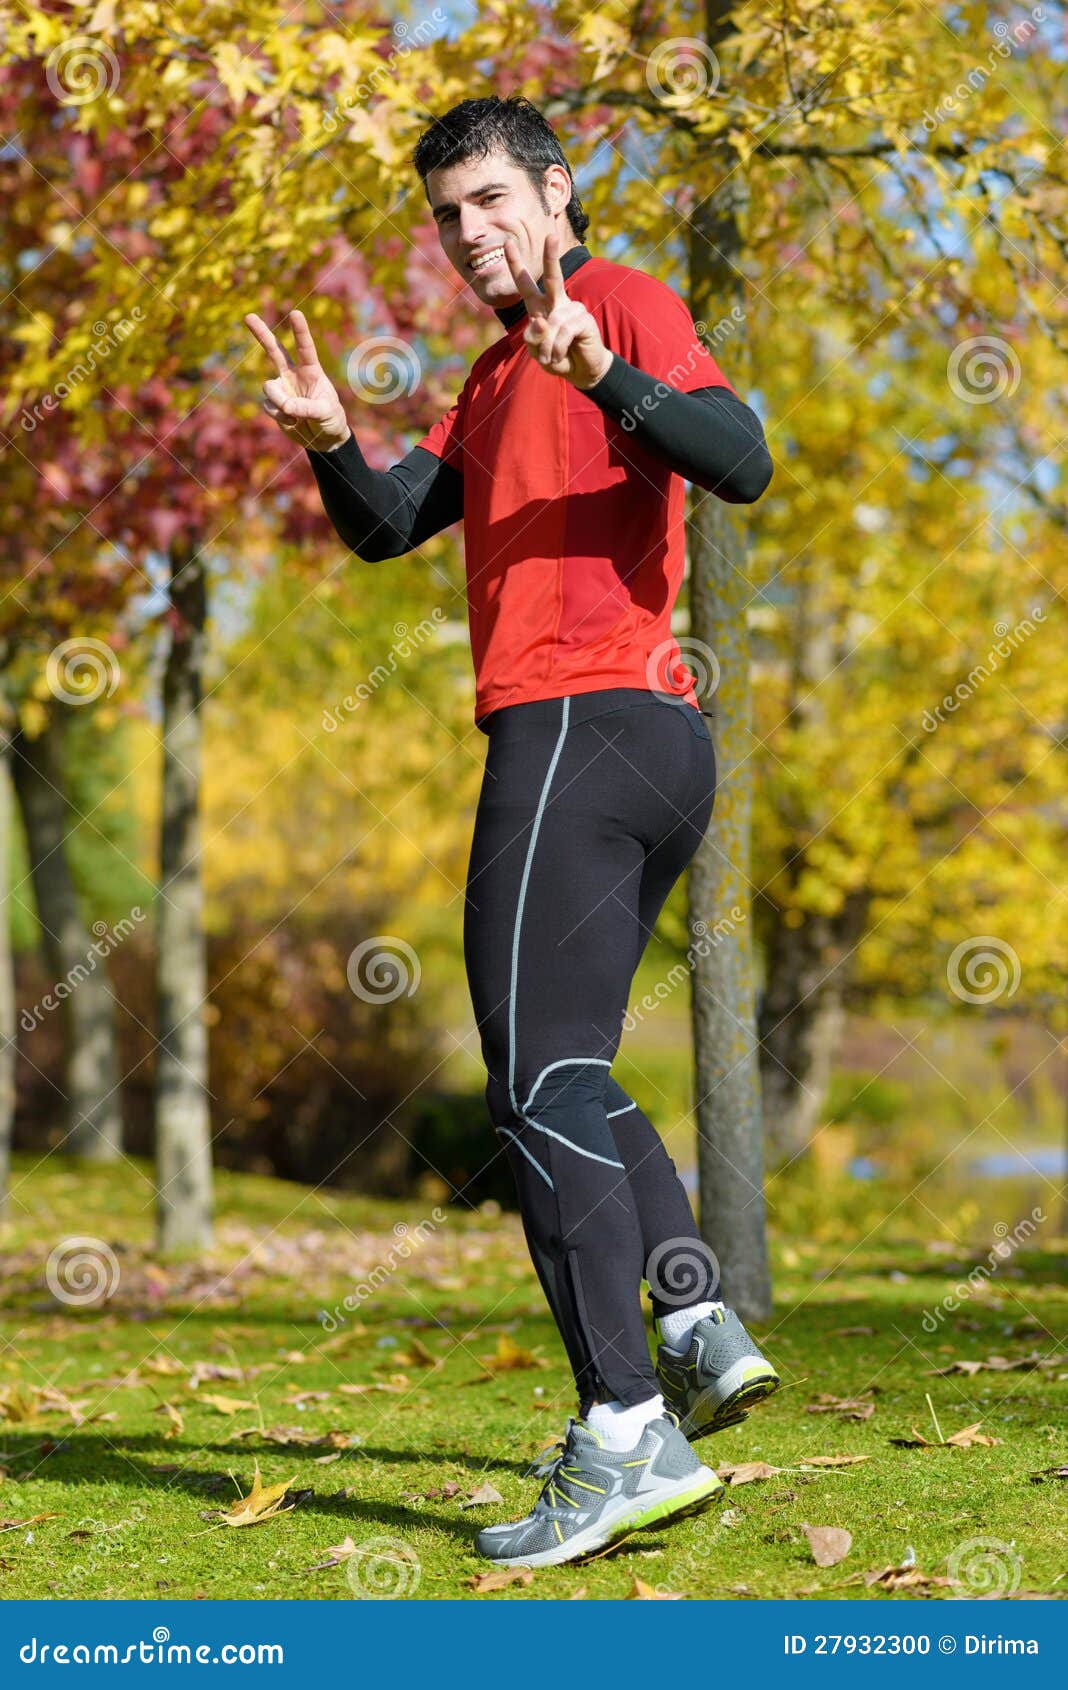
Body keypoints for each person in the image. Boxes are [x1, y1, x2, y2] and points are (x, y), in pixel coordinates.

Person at [245, 94, 779, 1571]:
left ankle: (625, 1429)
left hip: (581, 725)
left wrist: (604, 370)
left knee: (533, 1087)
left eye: (490, 200)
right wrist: (330, 441)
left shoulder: (619, 303)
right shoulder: (491, 378)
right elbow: (389, 521)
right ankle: (696, 1319)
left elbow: (742, 459)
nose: (468, 232)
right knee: (571, 1071)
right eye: (446, 215)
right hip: (638, 748)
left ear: (555, 192)